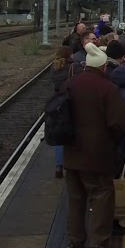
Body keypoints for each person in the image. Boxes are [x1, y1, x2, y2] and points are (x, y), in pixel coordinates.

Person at [62, 44, 125, 248]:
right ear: (103, 67)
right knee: (101, 195)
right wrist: (114, 144)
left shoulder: (69, 84)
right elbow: (118, 124)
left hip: (72, 151)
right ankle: (100, 240)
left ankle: (75, 240)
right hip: (98, 153)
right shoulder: (108, 89)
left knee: (75, 198)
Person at [48, 45, 78, 178]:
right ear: (70, 55)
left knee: (60, 135)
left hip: (57, 103)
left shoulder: (54, 68)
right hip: (70, 102)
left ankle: (58, 165)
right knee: (72, 132)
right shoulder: (73, 67)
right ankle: (72, 162)